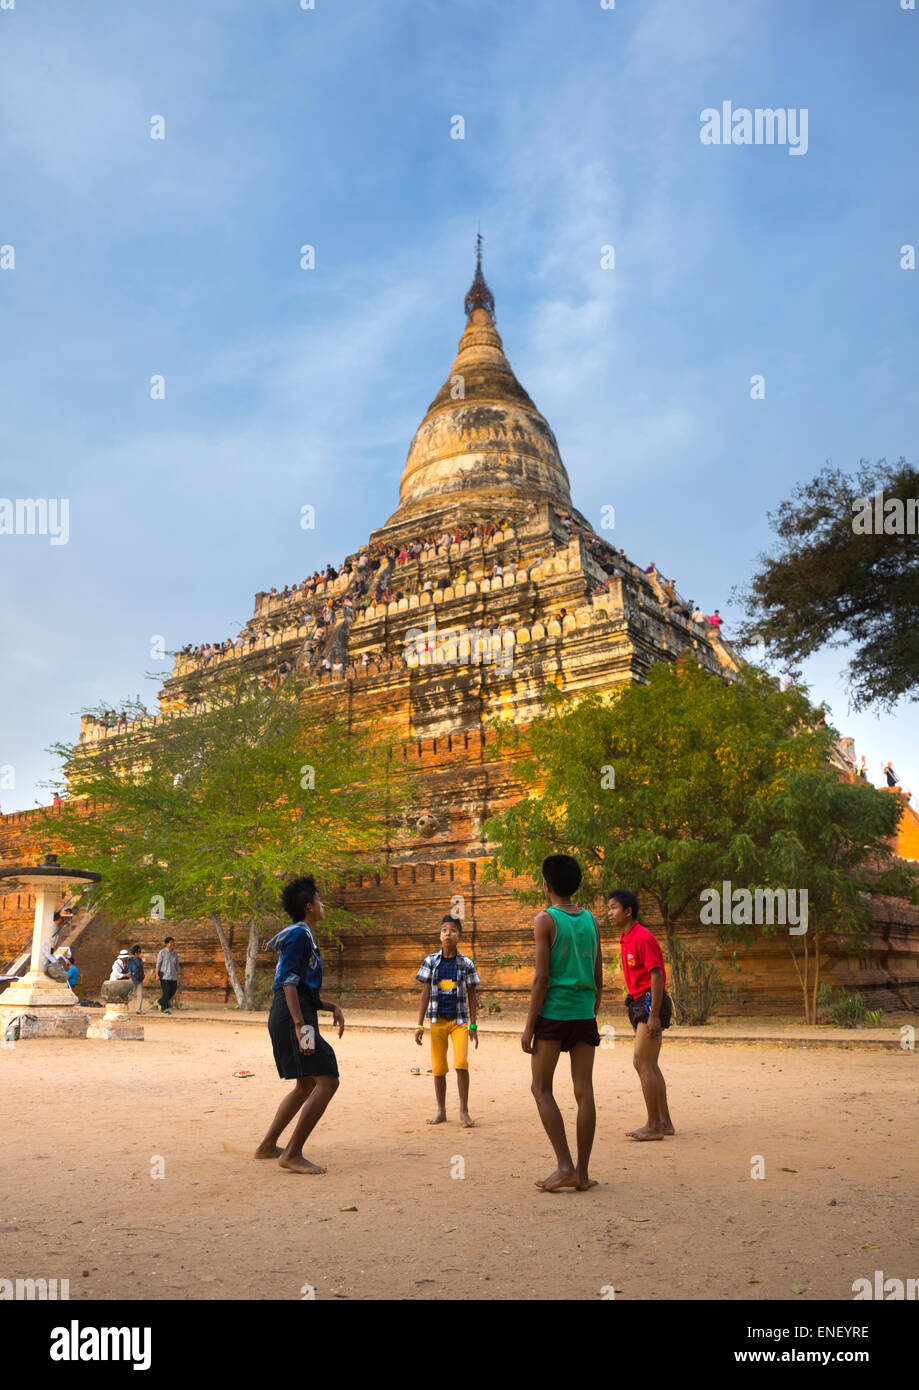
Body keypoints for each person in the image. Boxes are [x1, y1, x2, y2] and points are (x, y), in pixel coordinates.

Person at [521, 854, 602, 1192]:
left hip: (554, 1015)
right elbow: (598, 975)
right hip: (584, 1014)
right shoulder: (591, 920)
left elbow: (542, 978)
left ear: (547, 884)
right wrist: (591, 1009)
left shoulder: (545, 920)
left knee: (541, 1088)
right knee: (584, 1092)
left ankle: (564, 1166)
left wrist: (529, 1026)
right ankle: (582, 1174)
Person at [256, 874, 344, 1173]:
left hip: (297, 1013)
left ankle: (268, 1145)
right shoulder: (298, 935)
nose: (323, 905)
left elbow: (302, 987)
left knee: (306, 1083)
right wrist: (299, 1025)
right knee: (328, 1079)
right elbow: (288, 983)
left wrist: (328, 1005)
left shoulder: (304, 935)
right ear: (309, 906)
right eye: (319, 900)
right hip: (293, 1018)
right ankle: (292, 1153)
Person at [606, 889, 674, 1141]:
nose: (609, 913)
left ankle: (654, 1125)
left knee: (641, 1062)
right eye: (609, 908)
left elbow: (656, 975)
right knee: (650, 1063)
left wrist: (653, 1014)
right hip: (638, 1002)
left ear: (628, 911)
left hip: (649, 1002)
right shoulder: (627, 938)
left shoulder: (643, 937)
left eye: (613, 908)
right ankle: (664, 1122)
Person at [414, 915, 481, 1127]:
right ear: (440, 935)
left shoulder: (466, 963)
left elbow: (472, 996)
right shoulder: (431, 962)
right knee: (438, 1068)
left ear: (459, 936)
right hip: (437, 1021)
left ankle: (464, 1110)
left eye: (452, 930)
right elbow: (424, 994)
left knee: (461, 1064)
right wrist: (419, 1024)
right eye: (444, 930)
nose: (448, 934)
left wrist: (473, 1025)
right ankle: (441, 1111)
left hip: (460, 1021)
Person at [155, 937, 180, 1014]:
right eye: (170, 942)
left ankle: (160, 1001)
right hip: (164, 976)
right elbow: (158, 964)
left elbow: (177, 965)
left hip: (173, 976)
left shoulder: (175, 953)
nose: (172, 944)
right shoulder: (162, 952)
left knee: (173, 991)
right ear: (166, 944)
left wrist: (179, 973)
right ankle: (164, 1009)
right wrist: (156, 975)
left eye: (173, 942)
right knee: (166, 992)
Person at [127, 945, 145, 1013]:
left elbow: (141, 968)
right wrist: (131, 978)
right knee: (131, 994)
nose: (139, 953)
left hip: (139, 978)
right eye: (138, 952)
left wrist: (143, 975)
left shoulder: (140, 960)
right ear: (134, 952)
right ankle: (124, 1006)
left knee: (140, 994)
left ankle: (138, 1009)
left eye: (139, 952)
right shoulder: (130, 960)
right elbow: (129, 969)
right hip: (133, 979)